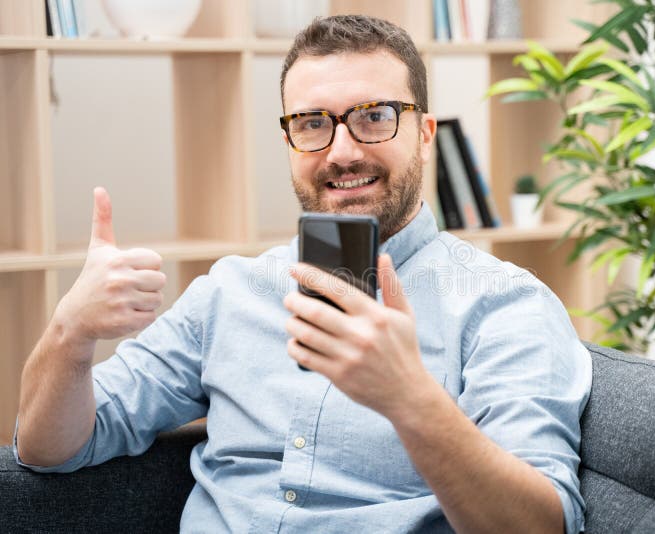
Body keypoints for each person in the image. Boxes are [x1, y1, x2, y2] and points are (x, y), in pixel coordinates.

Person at [15, 15, 591, 534]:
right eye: (313, 123)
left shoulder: (504, 304)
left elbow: (539, 525)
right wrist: (71, 333)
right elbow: (49, 448)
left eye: (374, 117)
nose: (342, 151)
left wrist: (412, 400)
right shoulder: (229, 292)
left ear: (423, 134)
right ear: (289, 141)